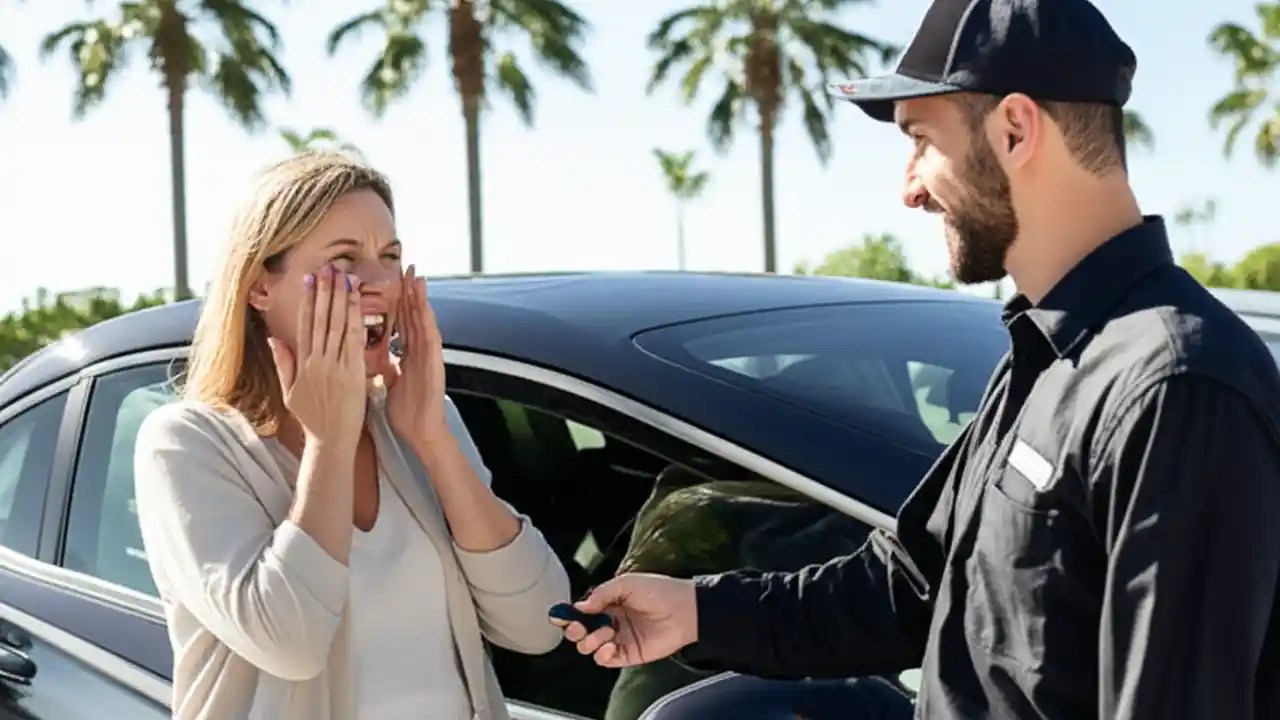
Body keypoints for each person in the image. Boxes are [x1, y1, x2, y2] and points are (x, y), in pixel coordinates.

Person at [555, 0, 1280, 718]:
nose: (909, 189)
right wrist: (696, 613)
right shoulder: (1046, 355)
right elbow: (913, 586)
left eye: (921, 141)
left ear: (1016, 129)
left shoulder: (1174, 386)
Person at [133, 150, 571, 720]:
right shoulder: (186, 444)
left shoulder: (418, 422)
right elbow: (289, 640)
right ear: (261, 287)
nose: (379, 282)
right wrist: (329, 442)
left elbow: (541, 623)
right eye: (345, 258)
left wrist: (433, 441)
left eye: (390, 257)